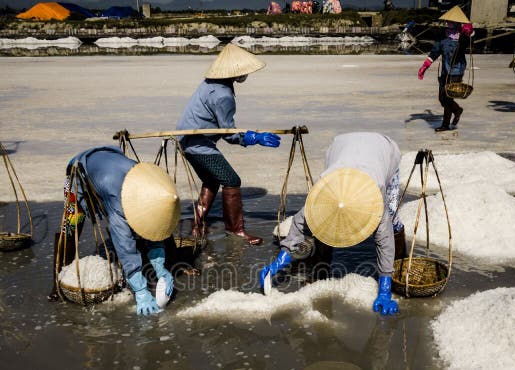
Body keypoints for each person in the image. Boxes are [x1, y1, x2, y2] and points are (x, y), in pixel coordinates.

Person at [259, 132, 405, 317]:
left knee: (392, 221)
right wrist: (280, 260)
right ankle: (322, 269)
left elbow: (385, 242)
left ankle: (401, 264)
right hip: (341, 147)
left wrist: (385, 289)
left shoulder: (375, 195)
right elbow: (301, 223)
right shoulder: (325, 189)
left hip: (383, 149)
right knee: (321, 221)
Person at [49, 146, 180, 317]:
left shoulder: (149, 182)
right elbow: (124, 243)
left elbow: (155, 225)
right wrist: (140, 289)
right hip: (78, 173)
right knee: (71, 227)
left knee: (143, 224)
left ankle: (156, 265)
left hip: (107, 161)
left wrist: (160, 266)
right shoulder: (120, 199)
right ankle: (56, 285)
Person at [176, 43, 281, 246]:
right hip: (198, 144)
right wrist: (253, 138)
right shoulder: (223, 95)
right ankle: (236, 230)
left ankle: (197, 223)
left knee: (212, 180)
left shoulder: (208, 83)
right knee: (232, 180)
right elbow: (229, 135)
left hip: (188, 140)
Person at [417, 6, 474, 132]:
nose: (448, 23)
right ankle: (457, 110)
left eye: (451, 21)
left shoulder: (463, 35)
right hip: (445, 70)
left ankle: (445, 124)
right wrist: (424, 66)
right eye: (447, 21)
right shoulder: (443, 35)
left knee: (447, 98)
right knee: (442, 98)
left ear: (457, 22)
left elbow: (469, 44)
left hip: (456, 71)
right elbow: (435, 52)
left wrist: (470, 32)